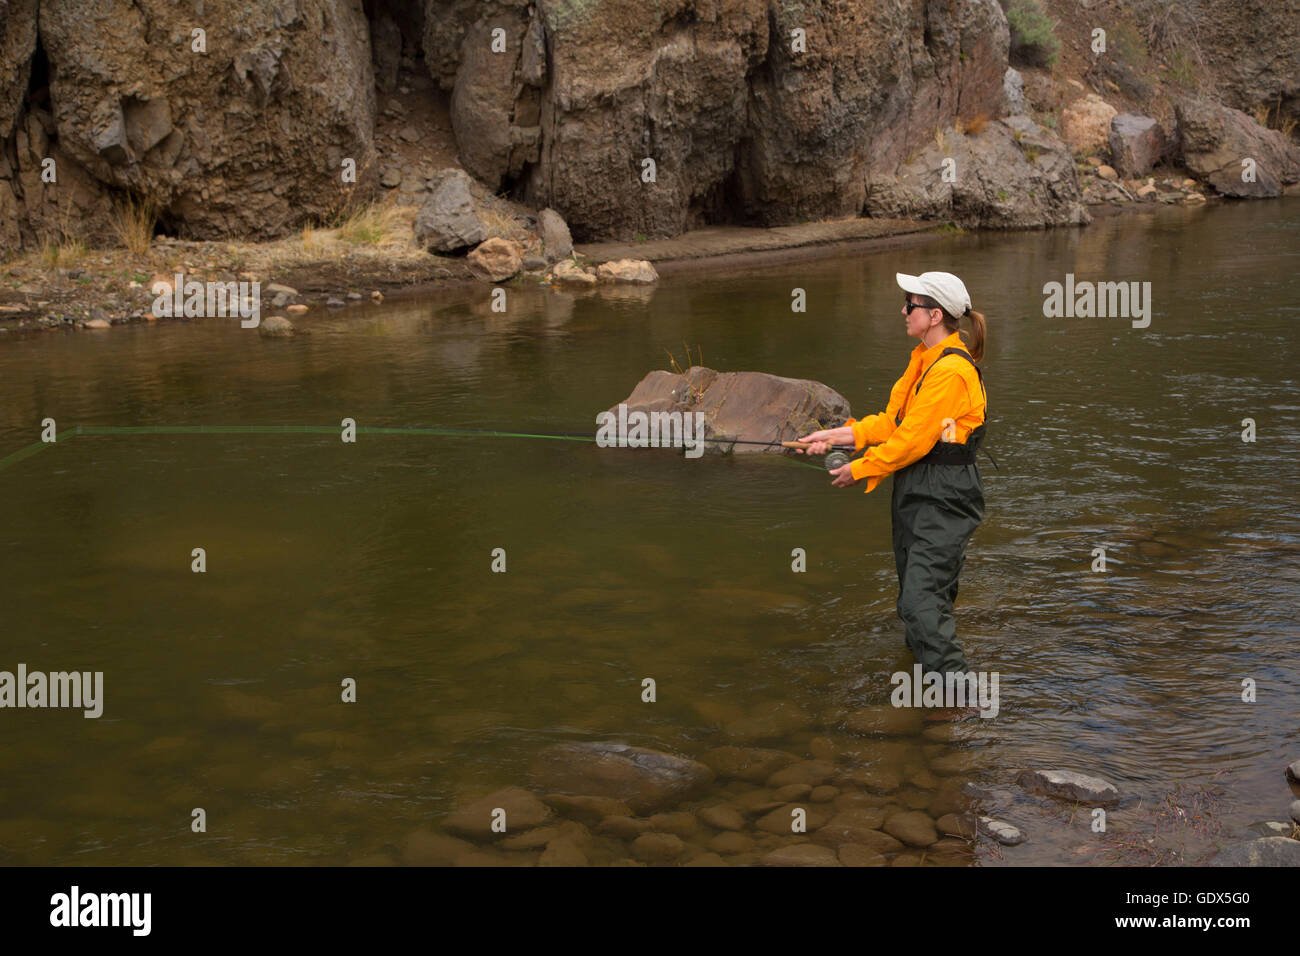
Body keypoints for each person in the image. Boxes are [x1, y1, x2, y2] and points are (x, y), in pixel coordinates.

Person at [799, 271, 988, 678]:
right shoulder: (923, 357)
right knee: (917, 599)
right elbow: (893, 423)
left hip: (946, 494)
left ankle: (957, 702)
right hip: (917, 486)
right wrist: (839, 436)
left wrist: (860, 468)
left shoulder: (950, 372)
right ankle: (926, 690)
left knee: (920, 603)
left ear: (935, 315)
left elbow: (911, 443)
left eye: (911, 304)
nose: (903, 310)